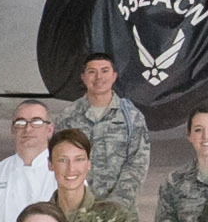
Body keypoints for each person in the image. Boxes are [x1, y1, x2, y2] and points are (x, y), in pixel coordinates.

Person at [53, 53, 151, 211]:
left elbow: (137, 163)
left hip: (120, 211)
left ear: (114, 76)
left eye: (105, 71)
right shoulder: (67, 117)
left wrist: (117, 203)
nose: (99, 77)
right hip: (77, 209)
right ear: (83, 77)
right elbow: (57, 160)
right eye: (92, 72)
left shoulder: (131, 117)